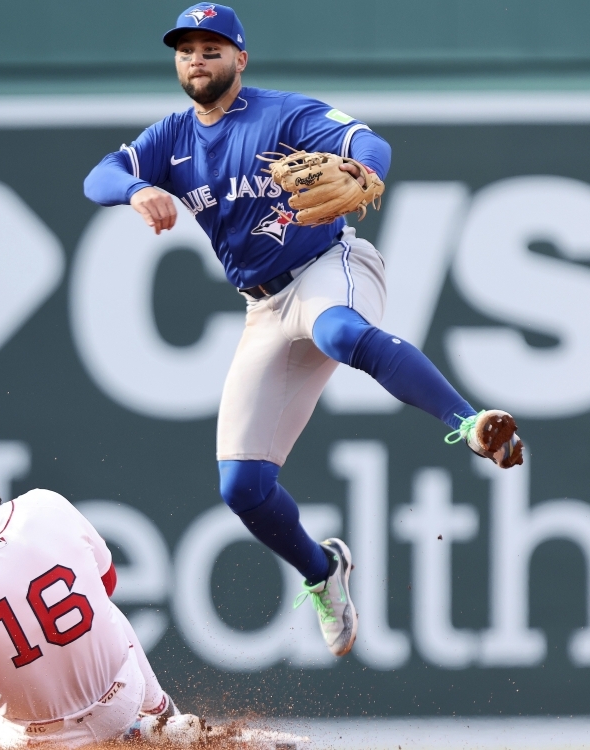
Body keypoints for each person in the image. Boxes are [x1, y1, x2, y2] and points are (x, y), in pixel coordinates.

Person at [83, 3, 524, 659]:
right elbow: (100, 175)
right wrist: (134, 191)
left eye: (212, 48)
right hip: (263, 308)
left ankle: (470, 424)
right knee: (242, 489)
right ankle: (323, 572)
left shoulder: (280, 114)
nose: (197, 59)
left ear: (240, 58)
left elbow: (368, 142)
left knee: (341, 334)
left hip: (328, 265)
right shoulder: (171, 138)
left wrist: (366, 171)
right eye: (186, 50)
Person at [0, 447, 190, 750]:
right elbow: (106, 582)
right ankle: (160, 715)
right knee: (104, 607)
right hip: (120, 703)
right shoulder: (47, 504)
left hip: (39, 738)